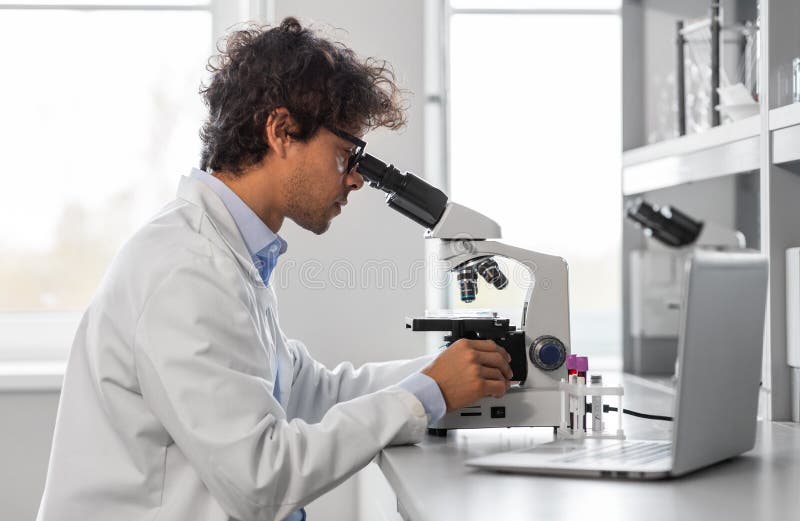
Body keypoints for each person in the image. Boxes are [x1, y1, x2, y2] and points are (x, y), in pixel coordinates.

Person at [36, 17, 512, 521]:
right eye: (347, 154)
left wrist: (452, 372)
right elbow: (262, 482)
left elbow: (315, 392)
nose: (355, 180)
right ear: (282, 131)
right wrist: (429, 393)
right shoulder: (187, 269)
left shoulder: (230, 252)